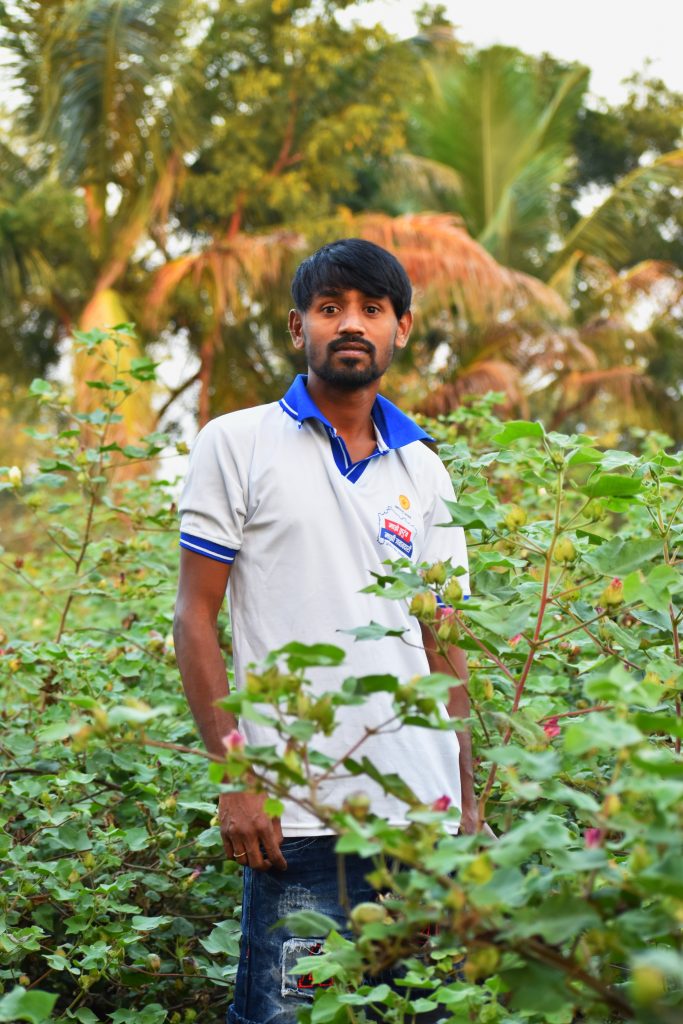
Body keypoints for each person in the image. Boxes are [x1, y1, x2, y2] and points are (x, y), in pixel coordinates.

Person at [173, 238, 476, 1024]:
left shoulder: (426, 471)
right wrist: (234, 778)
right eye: (330, 307)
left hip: (423, 822)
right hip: (300, 819)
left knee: (425, 1016)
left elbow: (444, 641)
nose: (351, 323)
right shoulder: (235, 443)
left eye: (371, 309)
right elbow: (194, 618)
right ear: (296, 326)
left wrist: (468, 801)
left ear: (401, 328)